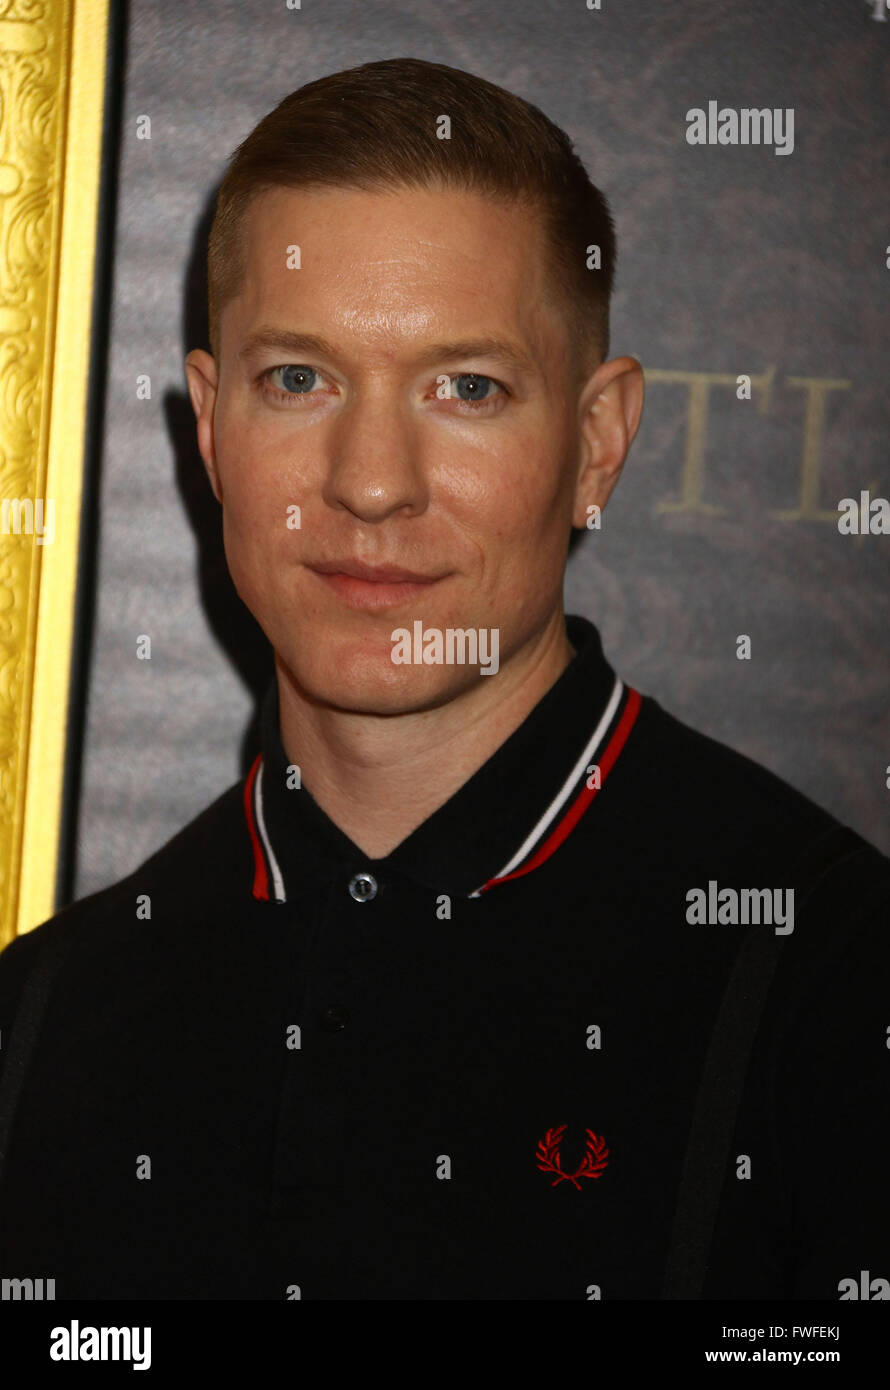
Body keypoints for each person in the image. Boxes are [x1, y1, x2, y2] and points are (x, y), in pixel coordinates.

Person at [0, 57, 887, 1302]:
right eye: (296, 379)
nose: (372, 481)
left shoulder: (836, 985)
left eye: (464, 388)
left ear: (596, 443)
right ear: (209, 429)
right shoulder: (38, 1025)